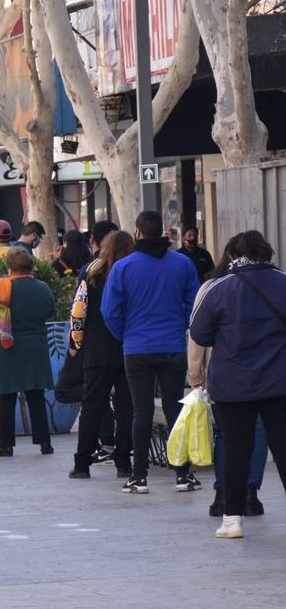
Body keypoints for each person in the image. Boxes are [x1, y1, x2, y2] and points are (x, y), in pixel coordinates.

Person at [189, 230, 286, 539]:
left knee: (235, 449)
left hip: (233, 383)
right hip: (279, 382)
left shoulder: (219, 288)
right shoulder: (283, 282)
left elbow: (200, 333)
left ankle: (232, 520)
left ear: (234, 255)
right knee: (283, 447)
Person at [102, 210, 200, 495]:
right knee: (175, 409)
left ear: (137, 232)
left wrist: (126, 335)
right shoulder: (183, 264)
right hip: (172, 346)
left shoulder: (123, 267)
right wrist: (179, 325)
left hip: (137, 348)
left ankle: (139, 476)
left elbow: (110, 311)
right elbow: (194, 305)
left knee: (141, 410)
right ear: (163, 231)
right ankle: (182, 474)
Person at [0, 248, 56, 456]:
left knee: (6, 398)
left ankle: (6, 445)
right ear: (30, 266)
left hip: (6, 349)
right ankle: (44, 442)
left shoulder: (2, 287)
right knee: (36, 396)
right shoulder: (42, 288)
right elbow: (50, 310)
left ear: (9, 267)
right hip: (35, 348)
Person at [68, 231, 135, 479]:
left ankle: (82, 463)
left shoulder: (90, 273)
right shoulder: (133, 272)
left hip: (96, 348)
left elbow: (78, 311)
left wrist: (75, 343)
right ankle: (124, 462)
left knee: (92, 406)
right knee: (127, 407)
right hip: (129, 347)